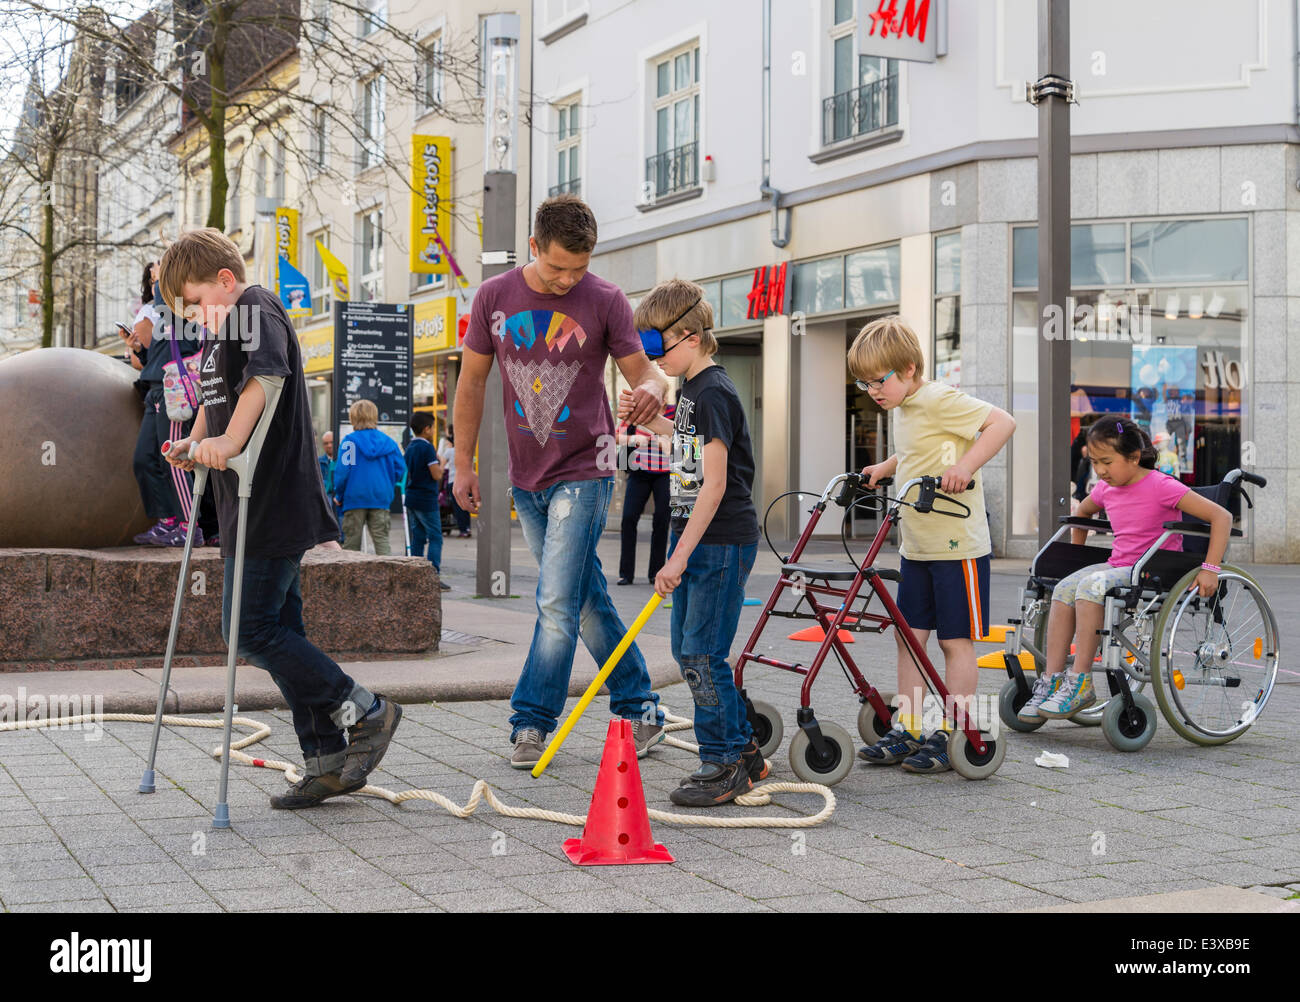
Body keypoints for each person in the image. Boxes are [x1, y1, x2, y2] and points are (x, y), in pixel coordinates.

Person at [160, 227, 402, 809]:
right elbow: (210, 403)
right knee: (281, 631)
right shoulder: (221, 337)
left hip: (271, 501)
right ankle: (325, 757)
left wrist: (233, 443)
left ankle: (366, 710)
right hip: (247, 504)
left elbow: (267, 379)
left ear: (223, 280)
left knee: (246, 629)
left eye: (195, 301)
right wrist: (193, 443)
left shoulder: (254, 304)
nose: (194, 316)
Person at [452, 193, 669, 770]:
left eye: (581, 267)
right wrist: (463, 463)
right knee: (585, 598)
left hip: (587, 469)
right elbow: (471, 384)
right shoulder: (494, 297)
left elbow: (643, 372)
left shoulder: (605, 299)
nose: (568, 279)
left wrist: (656, 389)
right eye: (556, 268)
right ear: (532, 248)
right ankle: (641, 707)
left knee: (553, 600)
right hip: (527, 478)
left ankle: (531, 720)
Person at [852, 316, 1017, 773]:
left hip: (956, 547)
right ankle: (908, 725)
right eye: (864, 385)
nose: (873, 392)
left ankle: (954, 729)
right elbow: (917, 451)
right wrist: (886, 468)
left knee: (954, 643)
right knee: (910, 640)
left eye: (877, 381)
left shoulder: (939, 398)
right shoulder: (905, 407)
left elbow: (1002, 423)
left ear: (908, 368)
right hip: (917, 549)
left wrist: (965, 466)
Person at [624, 279, 767, 806]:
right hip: (698, 539)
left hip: (718, 543)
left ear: (688, 335)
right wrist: (652, 422)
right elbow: (689, 451)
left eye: (656, 347)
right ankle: (742, 751)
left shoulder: (713, 392)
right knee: (691, 650)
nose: (652, 359)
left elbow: (716, 482)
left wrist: (679, 556)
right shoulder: (693, 391)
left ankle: (724, 761)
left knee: (702, 654)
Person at [1019, 418, 1231, 722]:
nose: (1100, 470)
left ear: (1133, 457)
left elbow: (1221, 516)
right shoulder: (1107, 489)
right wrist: (1079, 556)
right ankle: (1052, 680)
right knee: (1066, 586)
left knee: (1089, 587)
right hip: (1119, 566)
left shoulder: (1162, 485)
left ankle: (1080, 682)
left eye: (1107, 461)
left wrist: (1210, 568)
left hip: (1154, 570)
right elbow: (1082, 512)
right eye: (1094, 462)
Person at [129, 260, 208, 547]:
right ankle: (167, 521)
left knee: (175, 459)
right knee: (144, 459)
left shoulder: (183, 310)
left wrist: (165, 275)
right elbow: (156, 360)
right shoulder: (165, 317)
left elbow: (168, 299)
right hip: (156, 389)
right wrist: (139, 349)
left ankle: (190, 526)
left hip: (173, 393)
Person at [334, 400, 405, 555]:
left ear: (353, 417)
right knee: (382, 543)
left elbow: (342, 473)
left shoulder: (349, 443)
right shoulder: (389, 443)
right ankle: (386, 577)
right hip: (381, 497)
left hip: (354, 498)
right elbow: (400, 469)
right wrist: (386, 483)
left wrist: (339, 494)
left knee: (351, 545)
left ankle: (350, 579)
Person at [615, 402, 674, 586]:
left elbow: (685, 440)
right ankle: (626, 573)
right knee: (628, 518)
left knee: (662, 520)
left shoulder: (674, 413)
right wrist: (634, 440)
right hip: (639, 471)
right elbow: (616, 436)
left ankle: (655, 573)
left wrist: (665, 441)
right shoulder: (639, 413)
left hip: (665, 473)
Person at [405, 412, 450, 590]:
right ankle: (432, 576)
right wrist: (442, 463)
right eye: (432, 427)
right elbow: (436, 474)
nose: (433, 431)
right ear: (426, 429)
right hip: (426, 498)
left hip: (411, 497)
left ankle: (414, 574)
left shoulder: (410, 447)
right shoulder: (427, 448)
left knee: (418, 537)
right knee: (435, 537)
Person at [439, 427, 470, 537]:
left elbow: (441, 467)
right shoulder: (464, 451)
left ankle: (463, 530)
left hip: (453, 482)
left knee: (457, 507)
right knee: (465, 506)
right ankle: (467, 528)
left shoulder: (449, 451)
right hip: (465, 482)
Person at [318, 430, 344, 543]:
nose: (329, 445)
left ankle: (341, 537)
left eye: (331, 442)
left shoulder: (343, 460)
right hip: (326, 495)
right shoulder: (318, 461)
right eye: (326, 443)